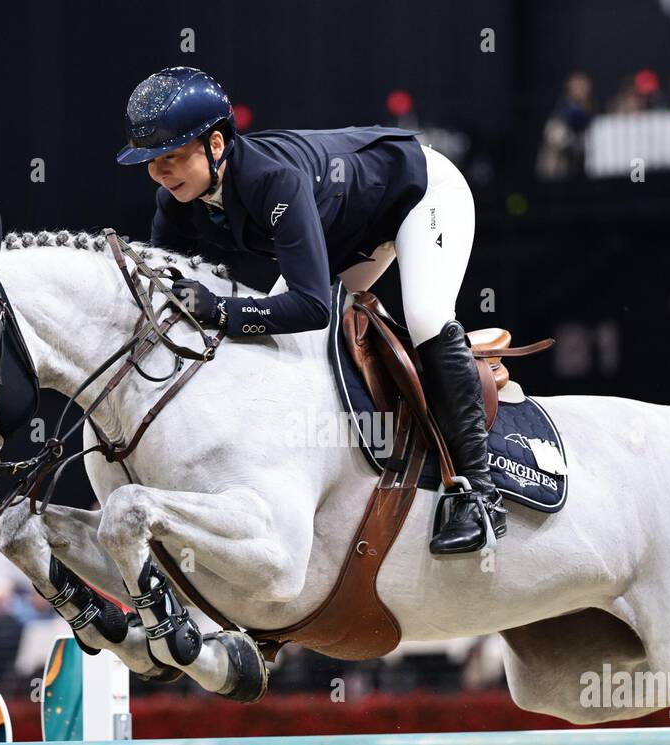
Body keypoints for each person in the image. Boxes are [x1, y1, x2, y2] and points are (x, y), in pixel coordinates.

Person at [116, 66, 504, 555]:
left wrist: (217, 308)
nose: (161, 172)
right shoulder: (174, 199)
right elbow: (161, 287)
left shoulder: (273, 181)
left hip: (418, 196)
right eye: (151, 162)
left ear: (216, 145)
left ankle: (478, 494)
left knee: (426, 316)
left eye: (171, 157)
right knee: (283, 344)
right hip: (346, 229)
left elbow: (311, 306)